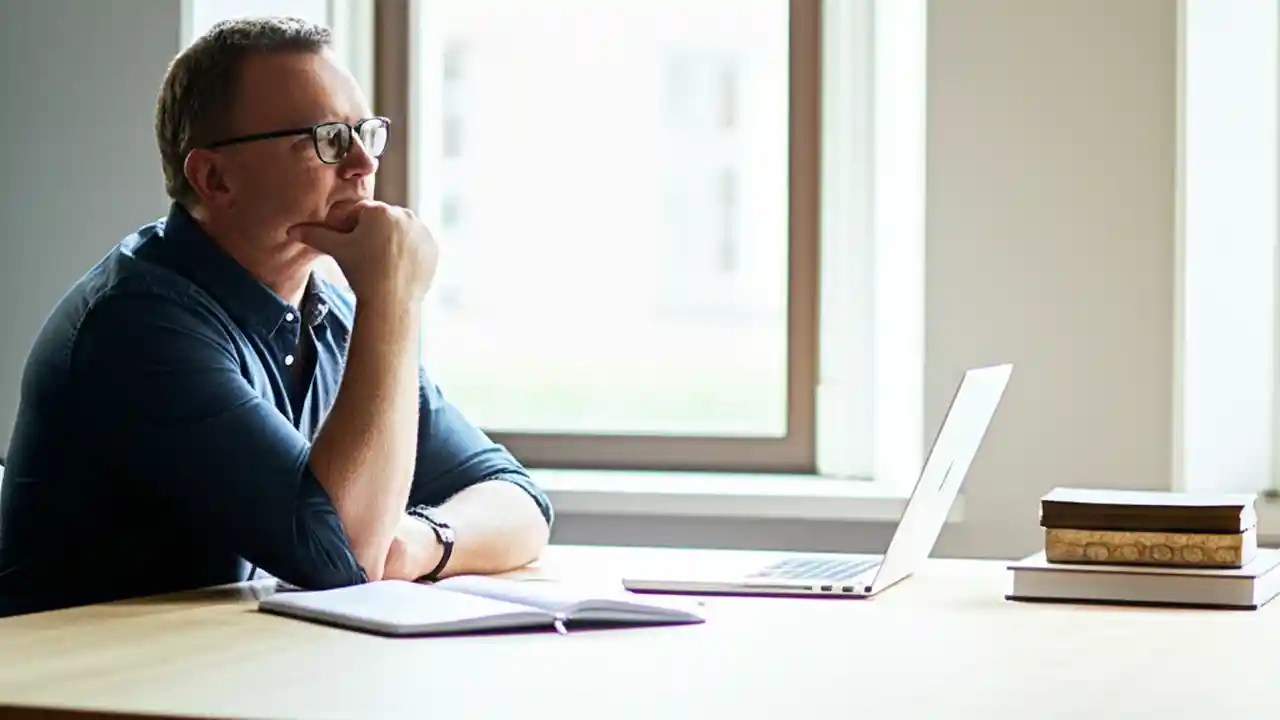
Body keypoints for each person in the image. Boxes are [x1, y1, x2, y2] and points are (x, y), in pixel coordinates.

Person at [0, 16, 552, 618]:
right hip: (82, 676)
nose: (364, 164)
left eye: (366, 133)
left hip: (226, 665)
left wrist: (417, 542)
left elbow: (519, 501)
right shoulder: (137, 325)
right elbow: (342, 559)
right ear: (215, 178)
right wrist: (393, 297)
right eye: (328, 139)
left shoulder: (334, 314)